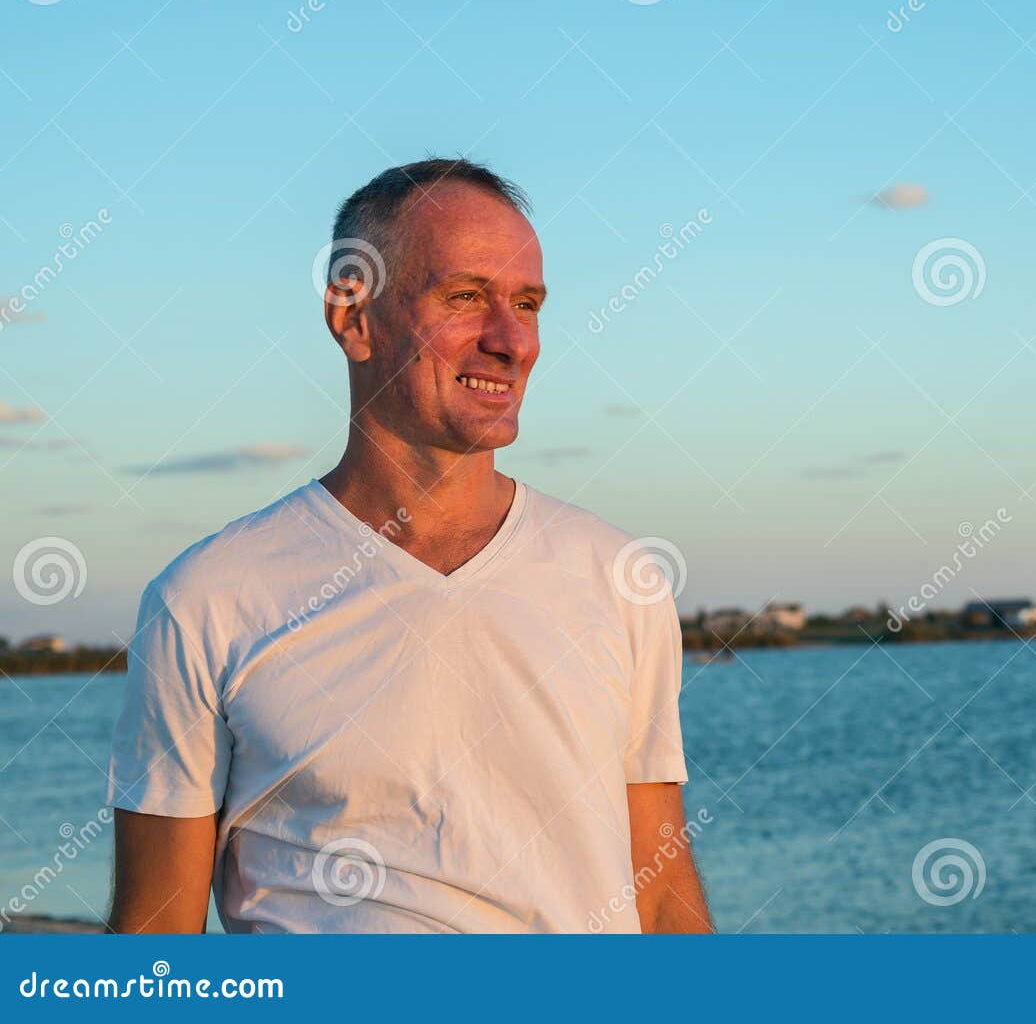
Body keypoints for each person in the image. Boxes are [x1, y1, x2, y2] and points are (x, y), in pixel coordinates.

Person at [105, 158, 711, 933]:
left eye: (527, 304)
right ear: (354, 317)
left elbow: (658, 894)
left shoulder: (619, 578)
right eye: (465, 297)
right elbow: (154, 937)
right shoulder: (207, 599)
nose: (512, 341)